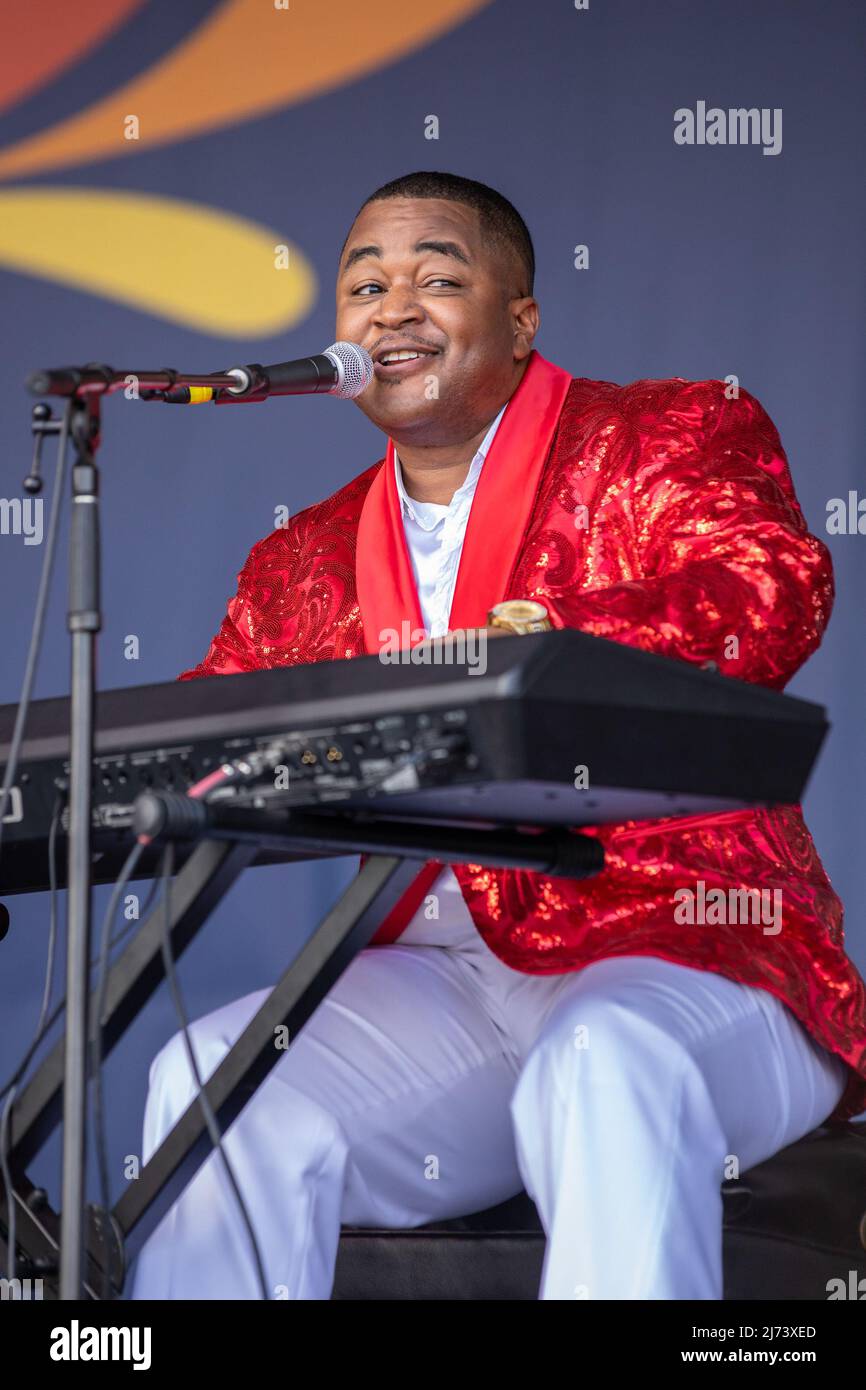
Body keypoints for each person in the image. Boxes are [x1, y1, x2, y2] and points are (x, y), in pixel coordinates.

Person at [131, 170, 866, 1301]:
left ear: (519, 323)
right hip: (443, 978)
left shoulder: (661, 434)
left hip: (690, 947)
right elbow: (214, 729)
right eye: (364, 284)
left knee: (602, 1056)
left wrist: (545, 649)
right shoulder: (304, 557)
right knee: (208, 1078)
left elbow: (766, 587)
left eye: (437, 277)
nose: (391, 307)